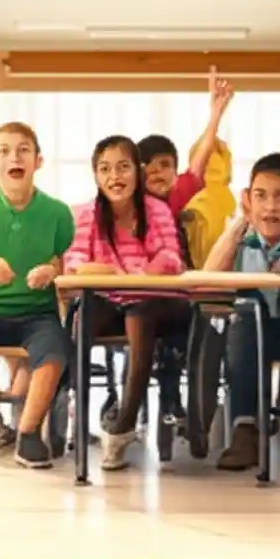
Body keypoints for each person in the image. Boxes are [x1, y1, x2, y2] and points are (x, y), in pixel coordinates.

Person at [0, 122, 76, 468]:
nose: (14, 157)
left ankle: (29, 433)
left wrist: (52, 271)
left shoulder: (57, 213)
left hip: (38, 314)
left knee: (55, 353)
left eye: (23, 150)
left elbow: (63, 261)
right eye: (4, 151)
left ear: (38, 161)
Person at [62, 135, 189, 470]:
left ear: (138, 171)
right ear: (95, 175)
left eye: (122, 167)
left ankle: (124, 426)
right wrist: (105, 271)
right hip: (111, 298)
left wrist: (136, 273)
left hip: (155, 303)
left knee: (139, 315)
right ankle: (69, 410)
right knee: (83, 317)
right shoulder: (87, 214)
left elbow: (171, 258)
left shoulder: (157, 210)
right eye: (104, 169)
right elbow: (74, 261)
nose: (114, 176)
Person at [203, 153, 280, 471]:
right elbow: (208, 278)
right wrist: (242, 222)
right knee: (244, 316)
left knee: (249, 311)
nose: (270, 207)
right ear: (248, 199)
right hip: (261, 331)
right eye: (260, 196)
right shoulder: (245, 234)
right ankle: (245, 432)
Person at [137, 67, 234, 268]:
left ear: (175, 170)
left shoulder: (179, 194)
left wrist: (216, 113)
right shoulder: (134, 202)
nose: (156, 173)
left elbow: (201, 157)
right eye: (149, 167)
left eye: (164, 165)